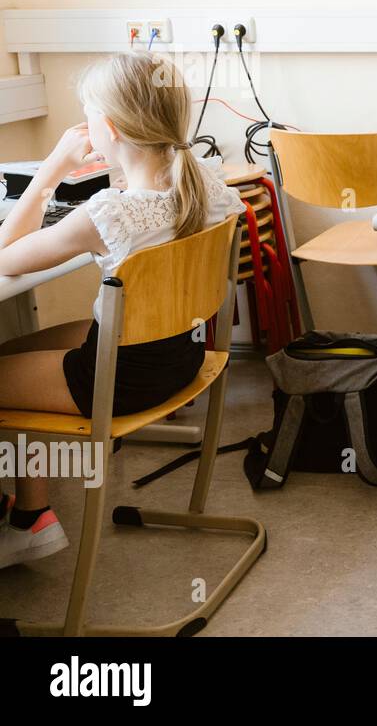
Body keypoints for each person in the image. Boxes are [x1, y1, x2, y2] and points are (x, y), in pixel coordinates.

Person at [0, 52, 243, 568]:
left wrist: (53, 167)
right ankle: (30, 513)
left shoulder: (107, 214)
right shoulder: (206, 184)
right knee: (18, 349)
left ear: (107, 128)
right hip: (185, 360)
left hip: (119, 381)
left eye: (87, 112)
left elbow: (4, 257)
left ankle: (32, 518)